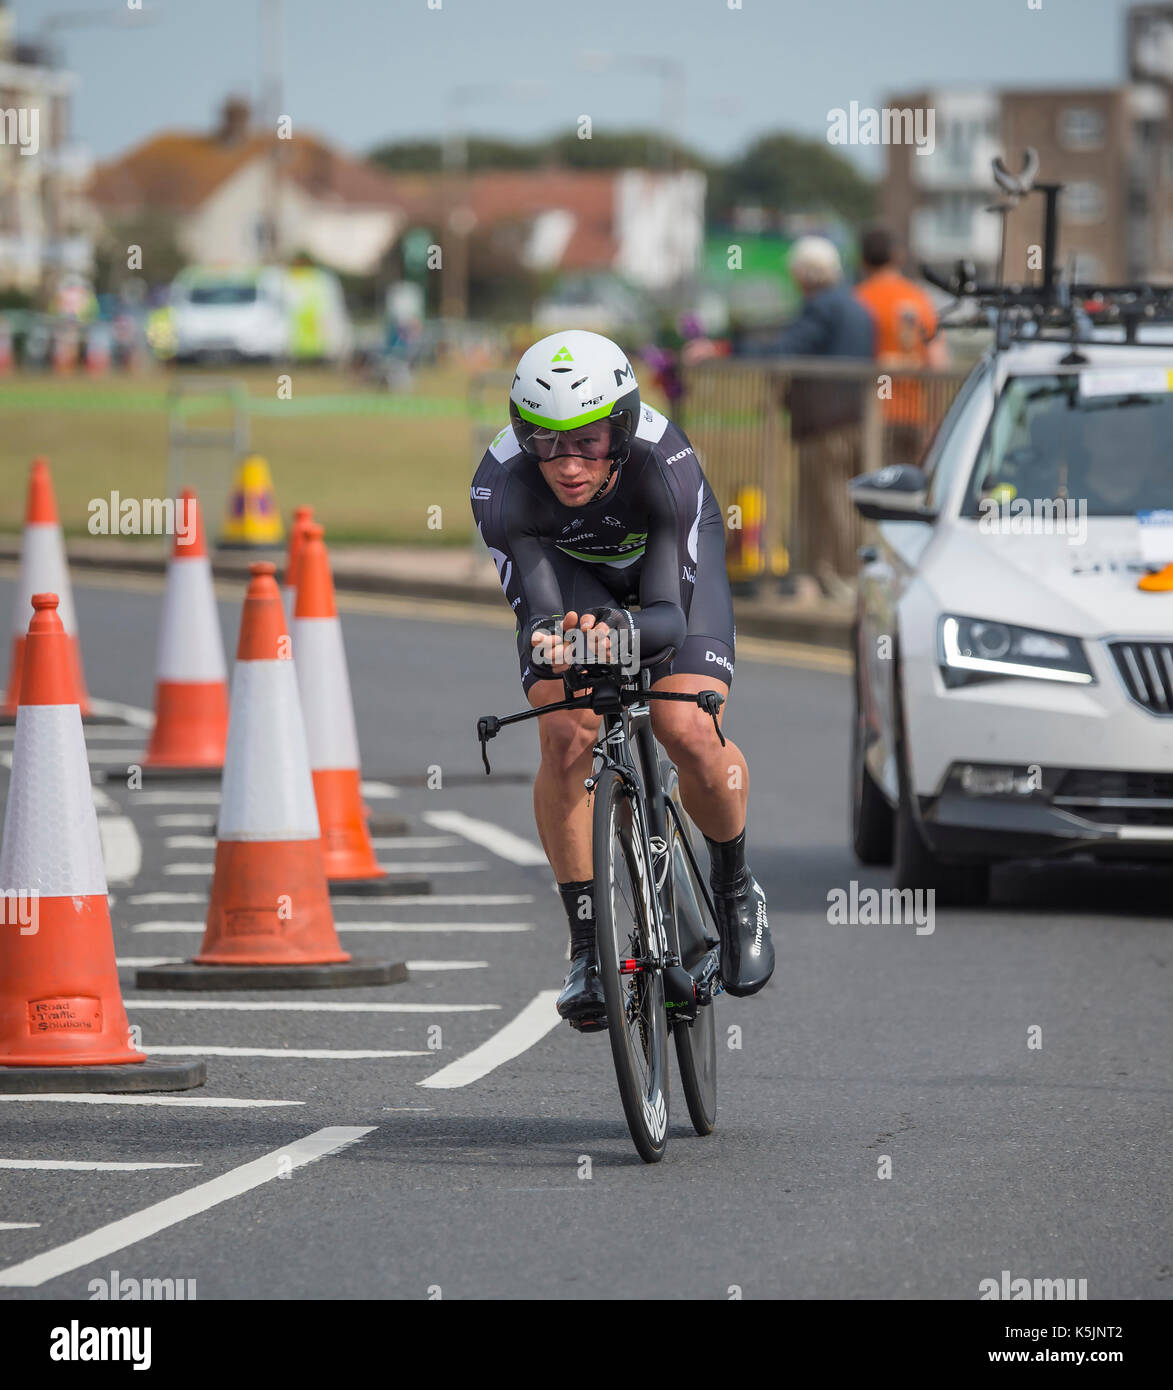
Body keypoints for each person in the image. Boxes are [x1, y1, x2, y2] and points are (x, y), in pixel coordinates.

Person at [471, 330, 775, 1030]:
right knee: (564, 732)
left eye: (588, 441)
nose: (568, 463)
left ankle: (733, 886)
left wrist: (630, 636)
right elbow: (539, 623)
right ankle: (586, 945)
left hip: (665, 576)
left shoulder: (661, 463)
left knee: (684, 727)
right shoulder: (501, 484)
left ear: (624, 427)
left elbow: (668, 615)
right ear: (523, 436)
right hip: (575, 575)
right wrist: (557, 641)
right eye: (546, 442)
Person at [772, 236, 875, 599]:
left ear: (805, 275)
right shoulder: (858, 307)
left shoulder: (820, 307)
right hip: (855, 420)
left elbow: (786, 349)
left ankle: (832, 577)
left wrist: (727, 349)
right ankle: (833, 574)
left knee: (824, 503)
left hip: (823, 423)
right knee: (844, 502)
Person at [854, 226, 946, 465]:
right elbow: (936, 362)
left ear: (862, 260)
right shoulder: (919, 299)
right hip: (913, 414)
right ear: (898, 257)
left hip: (869, 416)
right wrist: (934, 420)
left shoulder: (858, 300)